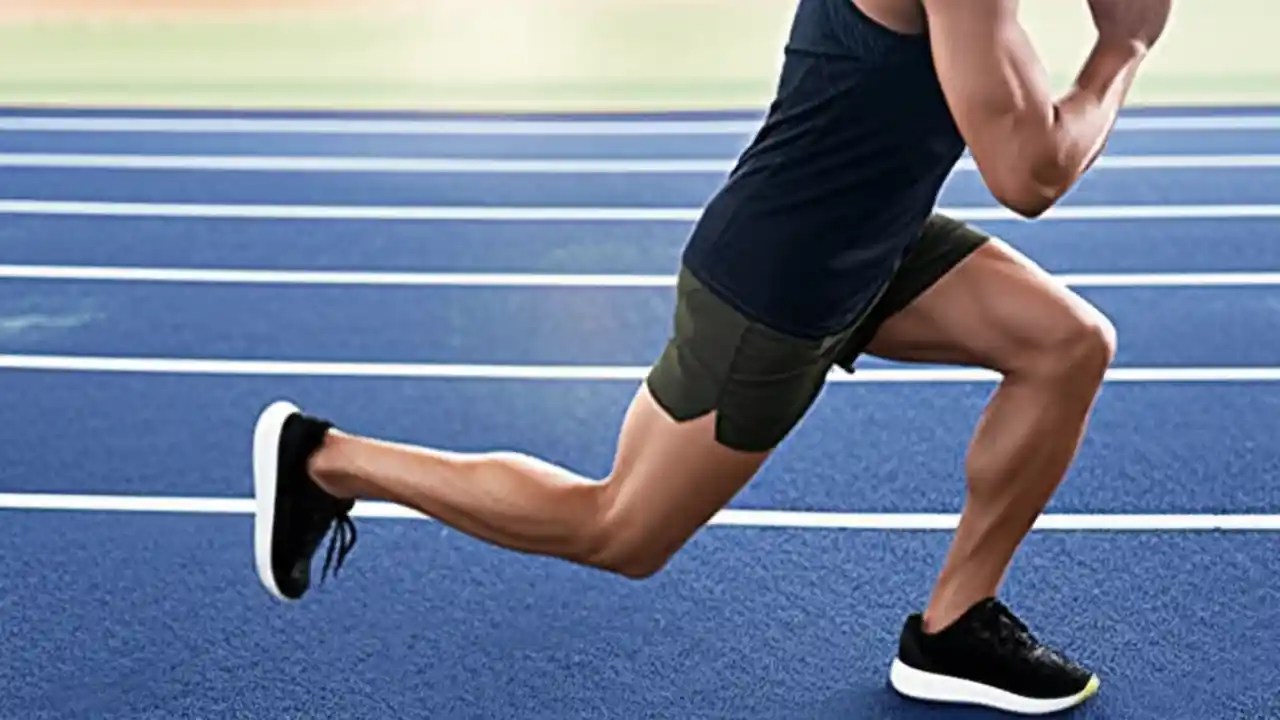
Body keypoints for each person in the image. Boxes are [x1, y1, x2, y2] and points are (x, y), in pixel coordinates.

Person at [250, 0, 1171, 714]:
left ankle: (954, 629)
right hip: (780, 279)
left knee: (1066, 344)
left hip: (872, 243)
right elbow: (1031, 173)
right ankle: (328, 461)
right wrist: (1122, 48)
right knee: (620, 530)